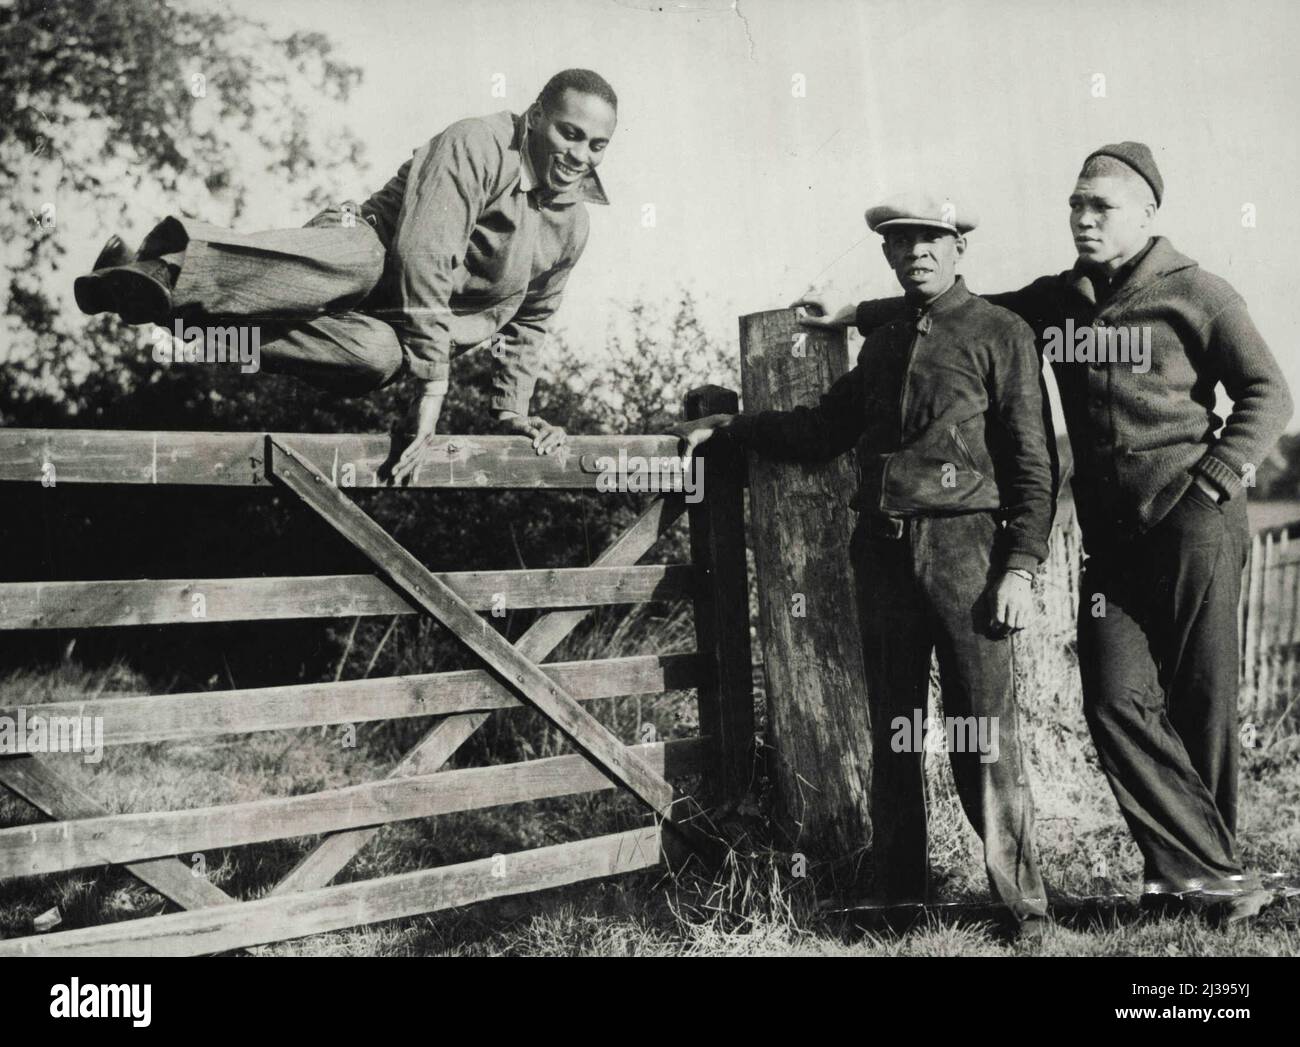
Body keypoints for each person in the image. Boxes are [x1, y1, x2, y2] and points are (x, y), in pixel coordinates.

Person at [823, 143, 1293, 925]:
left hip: (1193, 527)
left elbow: (1268, 393)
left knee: (1200, 704)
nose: (1083, 219)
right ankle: (1213, 877)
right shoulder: (1062, 299)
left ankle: (1186, 885)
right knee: (1113, 703)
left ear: (1146, 214)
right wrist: (857, 314)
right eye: (1075, 205)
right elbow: (967, 307)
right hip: (1111, 543)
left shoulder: (1199, 293)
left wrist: (1214, 477)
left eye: (1100, 207)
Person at [671, 194, 1055, 939]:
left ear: (958, 247)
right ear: (887, 254)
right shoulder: (881, 345)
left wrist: (1022, 567)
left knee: (984, 731)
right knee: (896, 730)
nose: (917, 252)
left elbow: (1035, 465)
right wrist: (731, 426)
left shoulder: (1001, 333)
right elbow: (821, 428)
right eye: (902, 242)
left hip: (967, 550)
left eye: (932, 239)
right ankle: (899, 903)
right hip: (880, 552)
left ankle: (1024, 908)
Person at [74, 68, 619, 481]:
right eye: (569, 133)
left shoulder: (571, 228)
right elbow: (422, 254)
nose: (579, 156)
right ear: (535, 115)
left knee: (375, 360)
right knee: (362, 263)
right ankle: (164, 269)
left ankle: (173, 315)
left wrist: (511, 412)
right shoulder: (476, 143)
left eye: (597, 145)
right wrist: (432, 387)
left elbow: (530, 321)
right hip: (374, 246)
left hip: (403, 320)